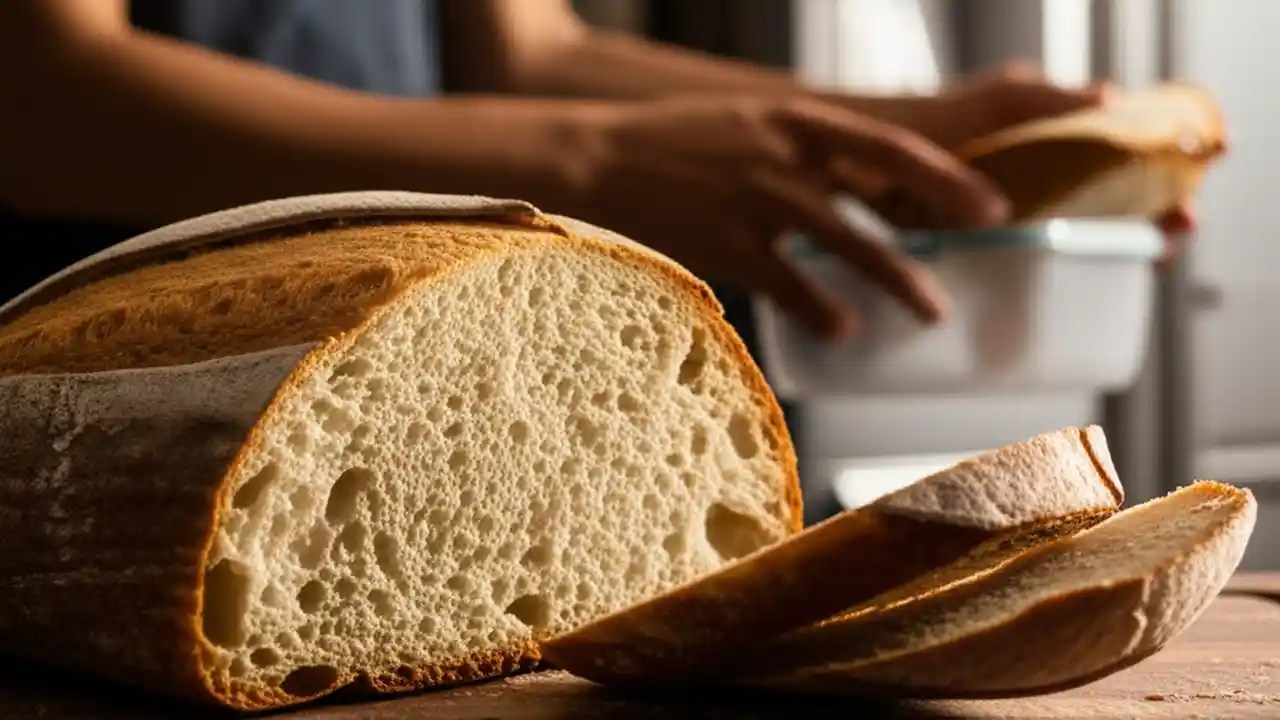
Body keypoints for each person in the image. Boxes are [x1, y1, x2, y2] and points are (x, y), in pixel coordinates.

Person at [0, 0, 1192, 334]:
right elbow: (46, 102)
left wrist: (931, 123)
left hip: (392, 333)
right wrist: (597, 162)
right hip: (93, 357)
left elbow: (532, 52)